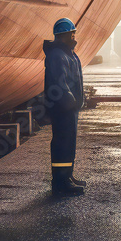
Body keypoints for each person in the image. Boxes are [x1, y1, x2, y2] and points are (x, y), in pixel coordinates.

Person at [44, 18, 86, 196]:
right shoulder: (57, 55)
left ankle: (67, 175)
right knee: (62, 144)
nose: (74, 36)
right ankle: (60, 183)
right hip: (63, 109)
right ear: (64, 36)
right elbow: (60, 84)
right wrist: (71, 102)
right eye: (72, 33)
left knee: (69, 143)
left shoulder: (67, 53)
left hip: (70, 108)